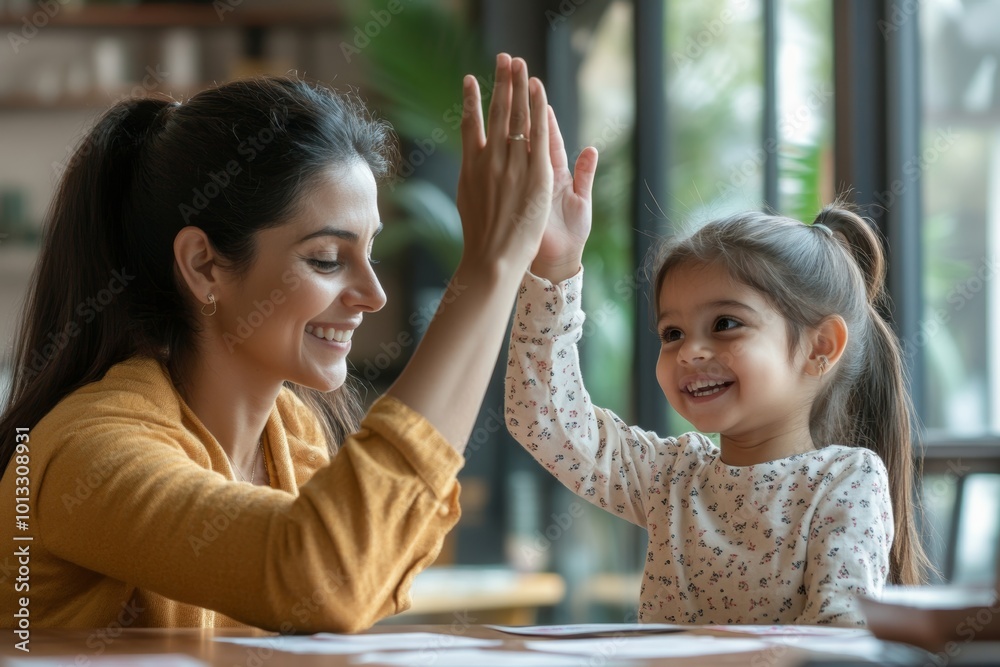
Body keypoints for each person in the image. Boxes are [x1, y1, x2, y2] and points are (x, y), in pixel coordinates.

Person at [0, 53, 553, 631]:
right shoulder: (83, 450)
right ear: (204, 265)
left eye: (372, 252)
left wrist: (543, 265)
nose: (373, 294)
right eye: (326, 258)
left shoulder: (290, 434)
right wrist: (489, 270)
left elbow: (370, 568)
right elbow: (319, 577)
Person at [506, 163, 931, 624]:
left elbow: (838, 637)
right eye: (672, 333)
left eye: (725, 324)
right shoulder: (669, 476)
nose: (689, 352)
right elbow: (543, 418)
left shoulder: (845, 480)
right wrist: (556, 265)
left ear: (820, 347)